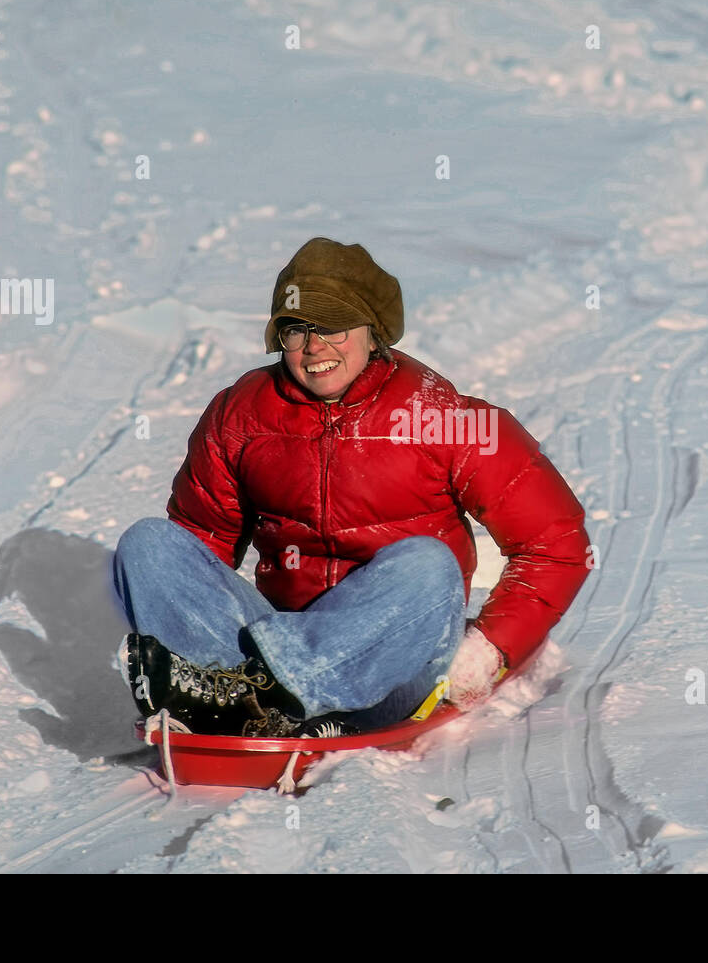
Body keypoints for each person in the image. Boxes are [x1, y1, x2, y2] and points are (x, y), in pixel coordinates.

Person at [112, 237, 590, 738]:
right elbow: (203, 544)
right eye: (297, 331)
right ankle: (232, 698)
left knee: (427, 564)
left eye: (334, 327)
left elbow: (555, 545)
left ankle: (274, 693)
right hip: (273, 649)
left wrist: (488, 649)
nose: (315, 348)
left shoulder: (445, 417)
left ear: (374, 331)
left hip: (395, 670)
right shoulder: (240, 414)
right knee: (150, 545)